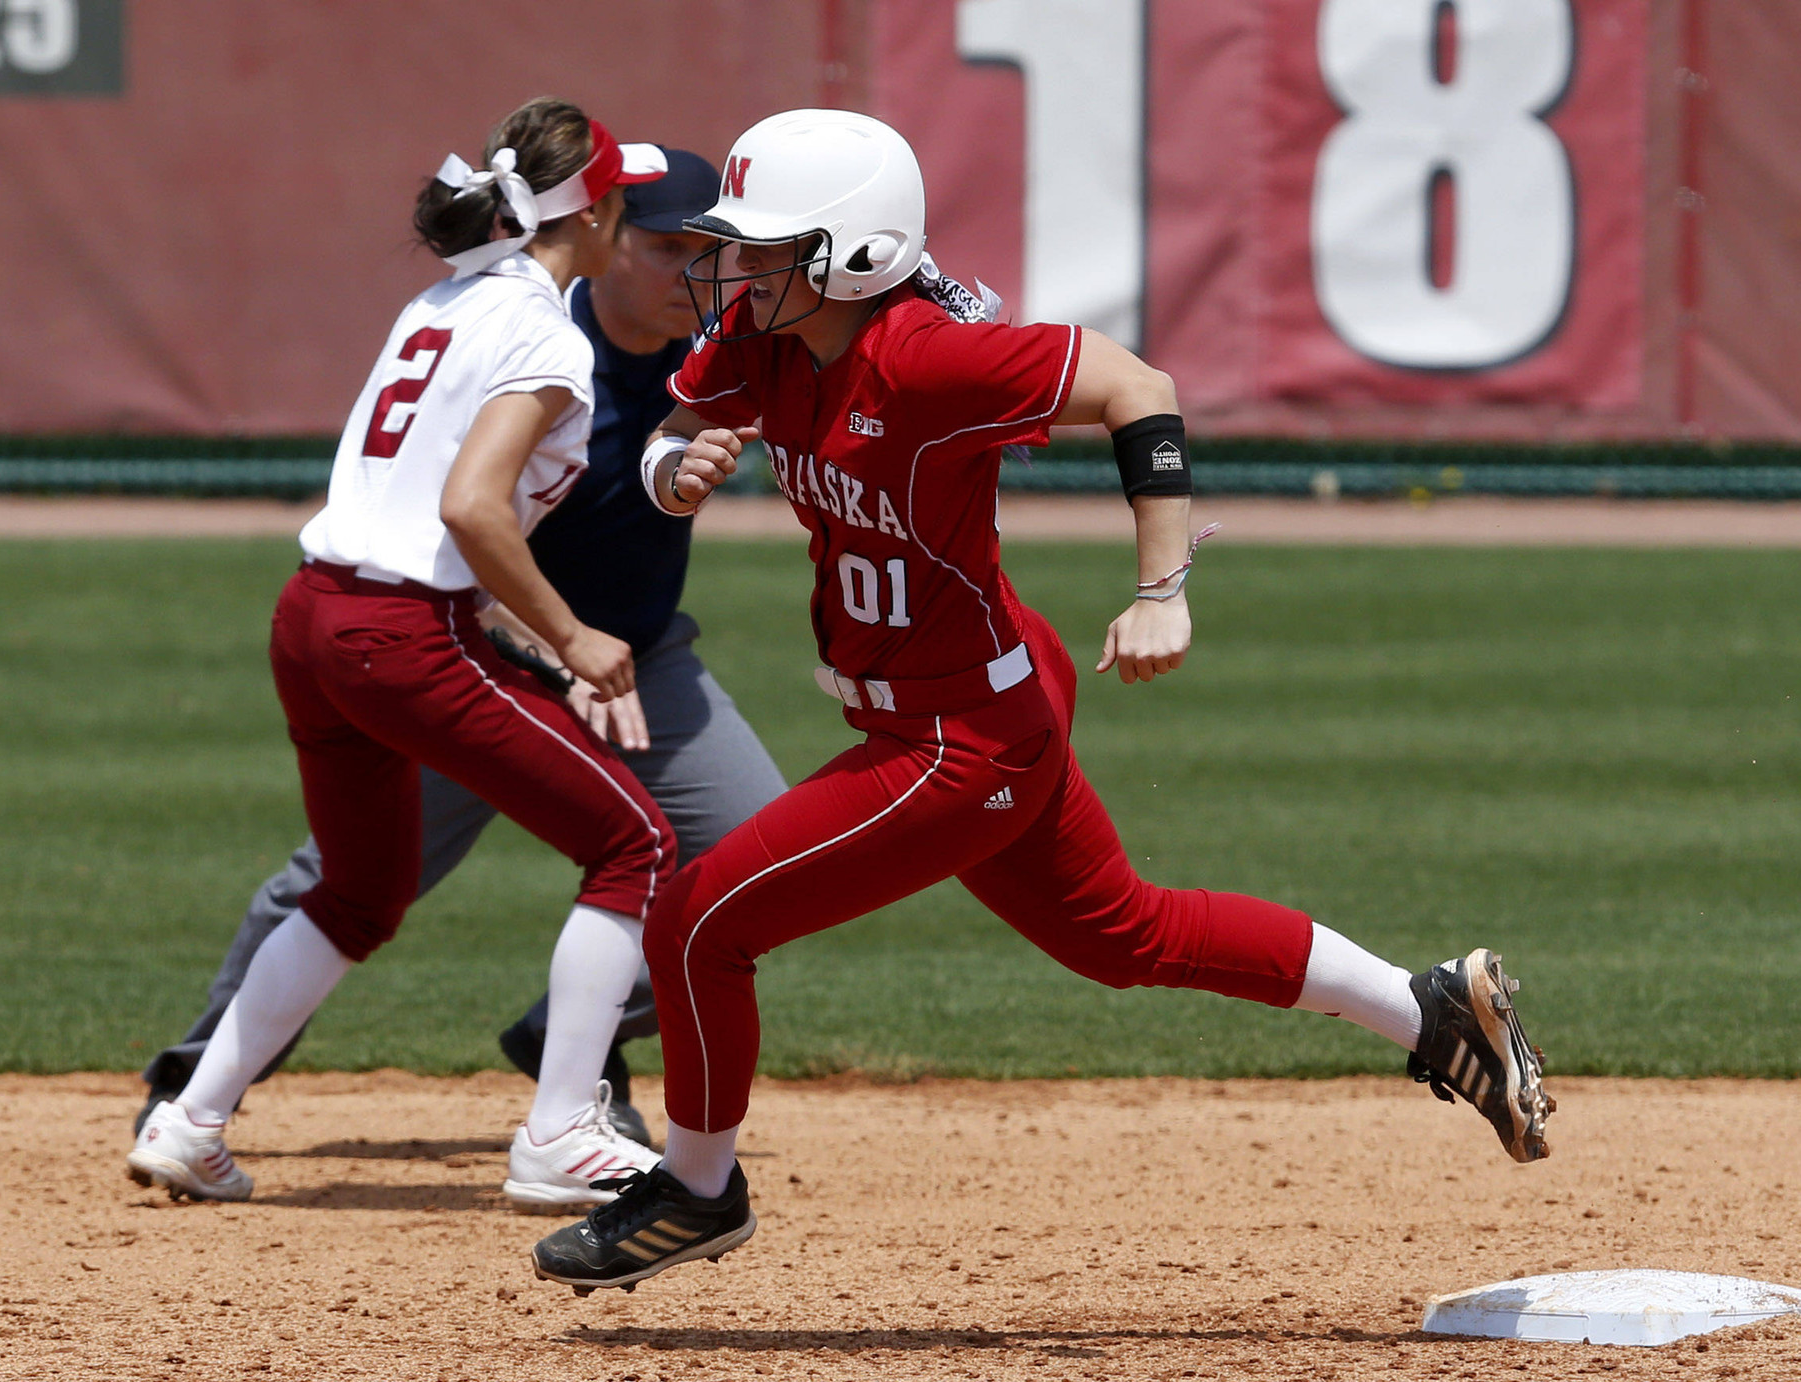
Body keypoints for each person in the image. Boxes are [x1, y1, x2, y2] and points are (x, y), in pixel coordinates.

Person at [530, 109, 1556, 1294]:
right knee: (1129, 936)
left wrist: (1163, 588)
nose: (740, 269)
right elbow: (682, 425)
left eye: (771, 247)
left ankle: (698, 1195)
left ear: (853, 254)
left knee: (702, 918)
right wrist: (673, 467)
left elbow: (1139, 386)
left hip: (958, 737)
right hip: (952, 701)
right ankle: (1431, 1013)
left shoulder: (925, 358)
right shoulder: (769, 336)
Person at [132, 147, 787, 1152]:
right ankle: (194, 1082)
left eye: (712, 252)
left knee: (765, 856)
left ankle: (574, 1038)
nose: (693, 273)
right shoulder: (531, 340)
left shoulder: (708, 350)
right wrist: (557, 646)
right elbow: (464, 527)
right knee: (349, 876)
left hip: (639, 662)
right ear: (602, 235)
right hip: (481, 646)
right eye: (665, 245)